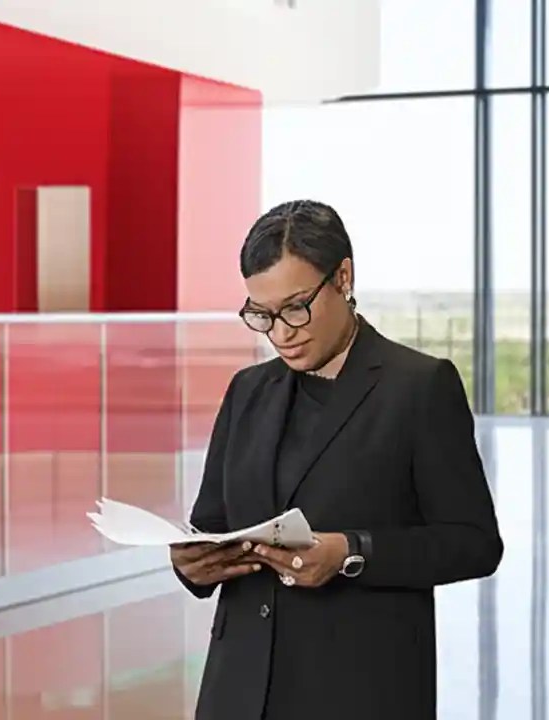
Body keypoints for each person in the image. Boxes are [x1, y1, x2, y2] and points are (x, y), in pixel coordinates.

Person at [170, 200, 503, 720]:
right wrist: (194, 565)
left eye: (297, 307)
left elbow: (474, 543)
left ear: (343, 276)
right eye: (262, 315)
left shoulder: (419, 387)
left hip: (360, 689)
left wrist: (352, 552)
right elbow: (212, 522)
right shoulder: (247, 391)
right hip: (238, 689)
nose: (282, 332)